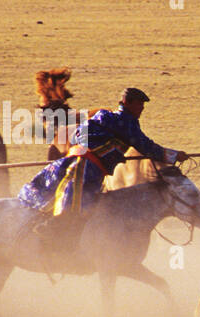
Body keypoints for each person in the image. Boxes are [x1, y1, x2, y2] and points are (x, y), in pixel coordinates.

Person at [18, 87, 188, 257]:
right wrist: (174, 155)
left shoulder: (107, 117)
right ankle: (50, 230)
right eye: (139, 104)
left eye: (143, 104)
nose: (142, 108)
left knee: (85, 203)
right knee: (77, 203)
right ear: (127, 103)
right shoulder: (125, 121)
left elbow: (79, 132)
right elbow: (146, 146)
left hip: (87, 165)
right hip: (86, 166)